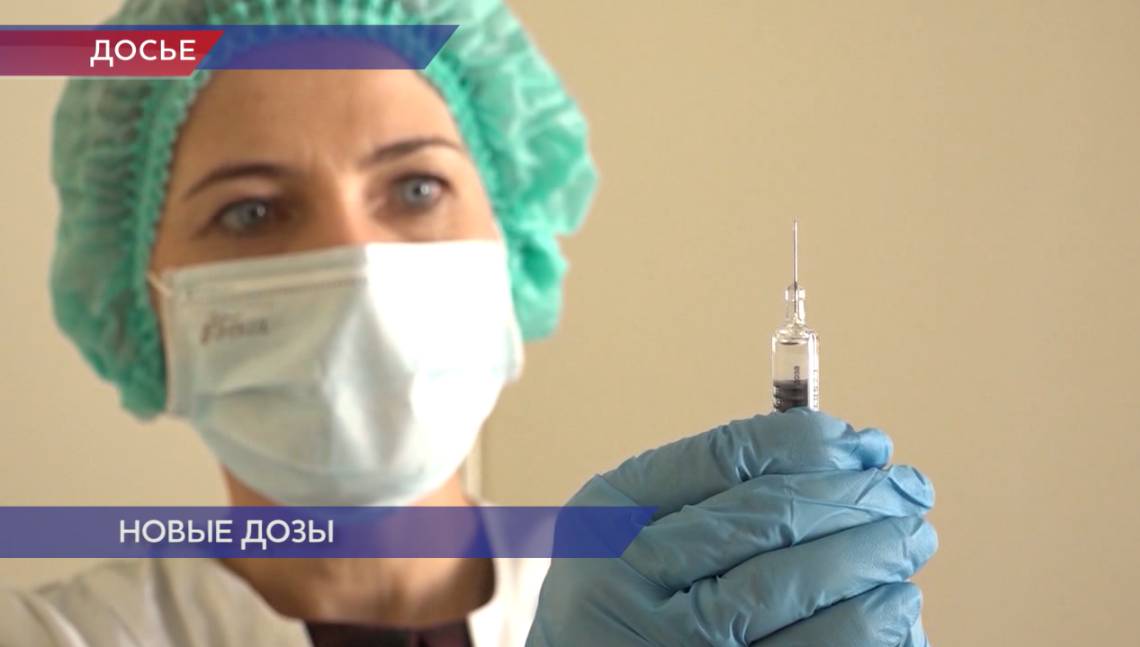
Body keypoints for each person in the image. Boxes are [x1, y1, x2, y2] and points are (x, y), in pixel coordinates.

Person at [0, 0, 938, 645]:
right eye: (251, 211)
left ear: (509, 235)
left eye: (416, 188)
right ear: (140, 297)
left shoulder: (671, 611)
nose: (360, 267)